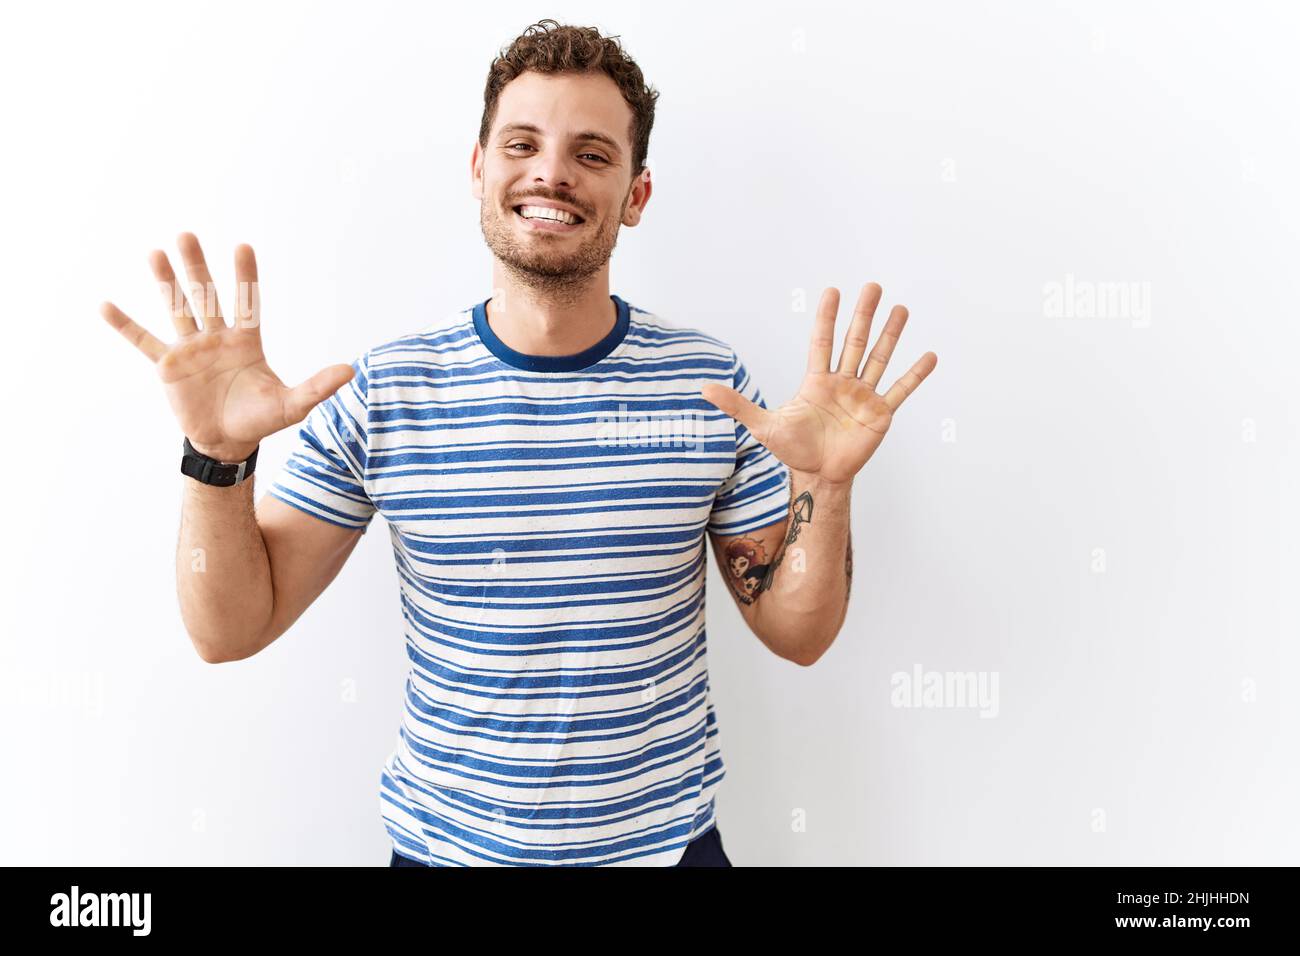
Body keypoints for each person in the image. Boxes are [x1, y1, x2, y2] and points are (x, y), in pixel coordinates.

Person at [98, 19, 937, 867]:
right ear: (478, 168)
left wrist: (827, 487)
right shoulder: (386, 394)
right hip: (444, 853)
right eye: (523, 143)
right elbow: (230, 631)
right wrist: (215, 458)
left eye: (592, 153)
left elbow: (799, 634)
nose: (551, 173)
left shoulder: (710, 388)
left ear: (636, 196)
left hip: (666, 853)